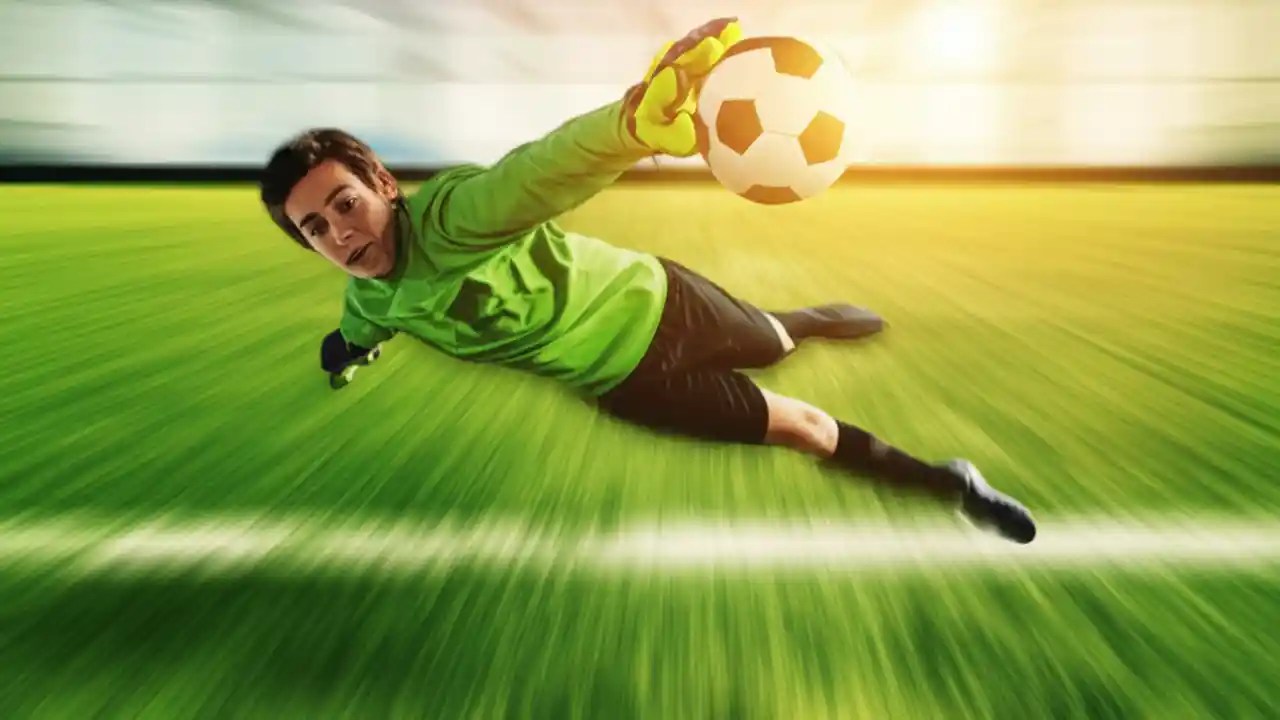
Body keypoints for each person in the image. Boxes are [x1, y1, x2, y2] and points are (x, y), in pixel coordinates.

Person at [258, 18, 1036, 544]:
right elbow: (361, 328)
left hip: (659, 304)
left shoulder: (456, 217)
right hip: (626, 385)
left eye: (346, 203)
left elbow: (539, 172)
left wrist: (628, 126)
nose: (342, 233)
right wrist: (345, 355)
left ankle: (803, 320)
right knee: (805, 428)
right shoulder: (366, 297)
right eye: (315, 229)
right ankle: (952, 485)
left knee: (769, 344)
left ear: (384, 186)